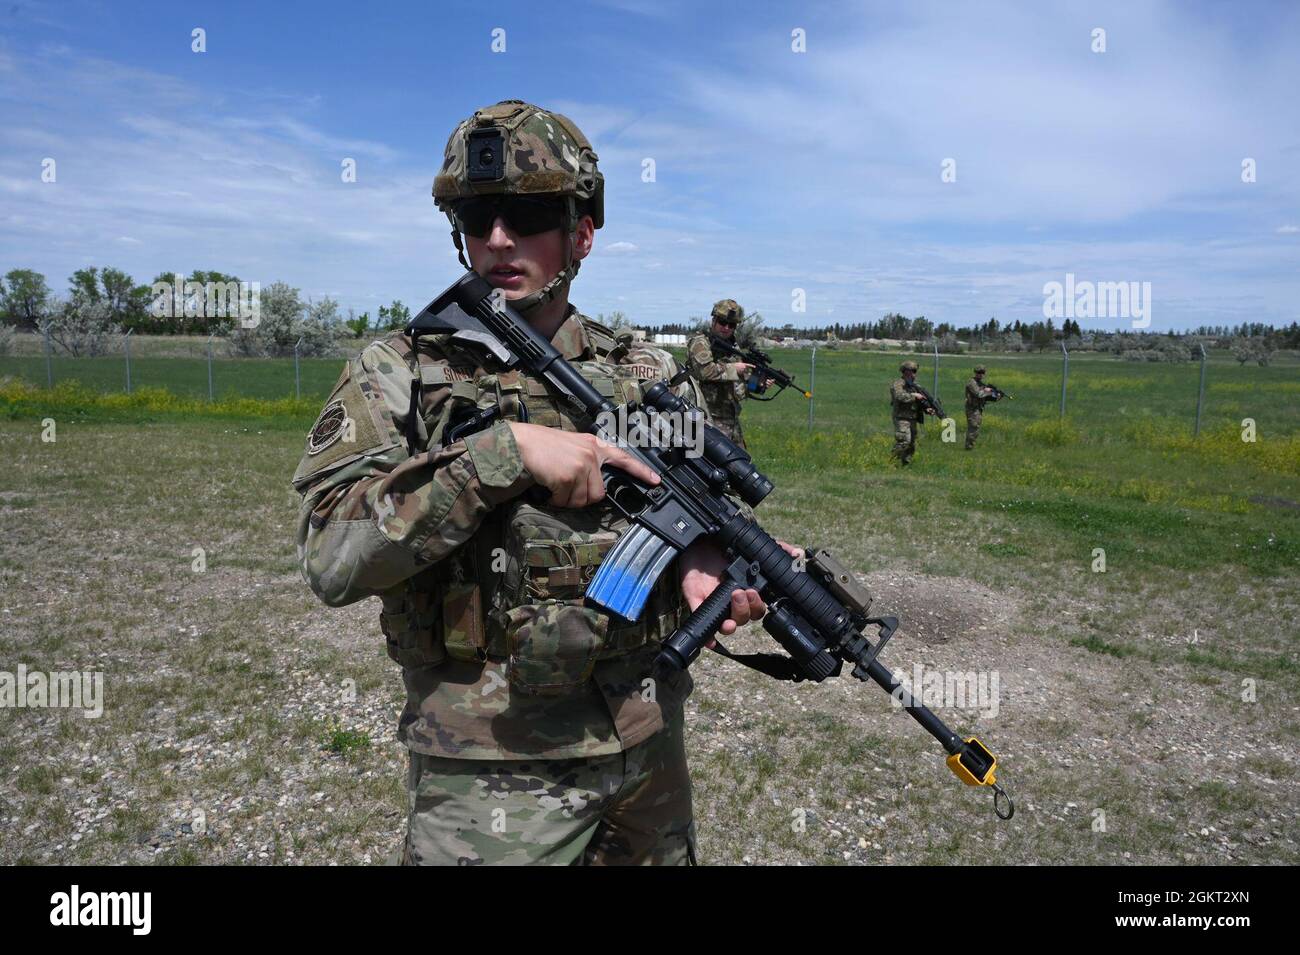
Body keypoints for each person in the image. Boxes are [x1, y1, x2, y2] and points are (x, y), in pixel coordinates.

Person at [292, 100, 795, 865]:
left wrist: (705, 558)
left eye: (526, 215)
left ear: (581, 230)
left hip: (646, 743)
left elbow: (683, 508)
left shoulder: (645, 372)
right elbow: (331, 553)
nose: (498, 239)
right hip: (489, 771)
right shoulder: (400, 369)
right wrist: (502, 456)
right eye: (477, 215)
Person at [686, 299, 758, 450]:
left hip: (731, 421)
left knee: (741, 465)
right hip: (707, 419)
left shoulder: (733, 348)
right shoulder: (701, 342)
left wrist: (758, 385)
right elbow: (705, 372)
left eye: (731, 325)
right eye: (722, 322)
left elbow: (742, 387)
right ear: (714, 320)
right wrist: (734, 368)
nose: (726, 328)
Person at [889, 359, 934, 465]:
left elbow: (920, 402)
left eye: (915, 371)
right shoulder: (898, 384)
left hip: (912, 418)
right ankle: (891, 461)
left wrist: (927, 409)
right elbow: (899, 396)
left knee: (912, 444)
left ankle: (905, 464)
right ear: (905, 371)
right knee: (904, 441)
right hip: (901, 417)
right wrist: (914, 396)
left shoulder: (915, 386)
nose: (914, 374)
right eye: (912, 371)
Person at [964, 365, 996, 450]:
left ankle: (970, 446)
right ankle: (969, 448)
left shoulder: (981, 383)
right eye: (979, 372)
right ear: (975, 373)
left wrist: (996, 395)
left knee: (976, 427)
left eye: (982, 373)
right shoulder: (972, 382)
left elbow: (986, 397)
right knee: (973, 427)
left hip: (978, 408)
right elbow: (979, 394)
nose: (981, 374)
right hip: (972, 408)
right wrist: (987, 391)